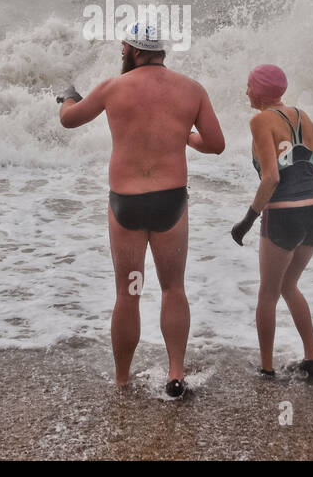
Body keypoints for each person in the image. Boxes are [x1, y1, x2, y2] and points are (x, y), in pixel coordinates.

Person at [57, 22, 225, 397]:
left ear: (132, 50)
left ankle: (121, 378)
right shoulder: (191, 89)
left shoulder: (114, 88)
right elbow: (215, 143)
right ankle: (175, 374)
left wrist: (66, 96)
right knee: (173, 289)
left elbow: (69, 120)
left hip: (127, 204)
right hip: (170, 202)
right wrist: (186, 137)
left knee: (128, 293)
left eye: (123, 49)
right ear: (160, 50)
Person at [229, 64, 313, 380]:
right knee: (290, 285)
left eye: (249, 85)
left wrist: (247, 220)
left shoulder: (261, 121)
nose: (246, 91)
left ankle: (267, 367)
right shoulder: (305, 118)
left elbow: (271, 177)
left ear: (260, 90)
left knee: (268, 294)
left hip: (284, 213)